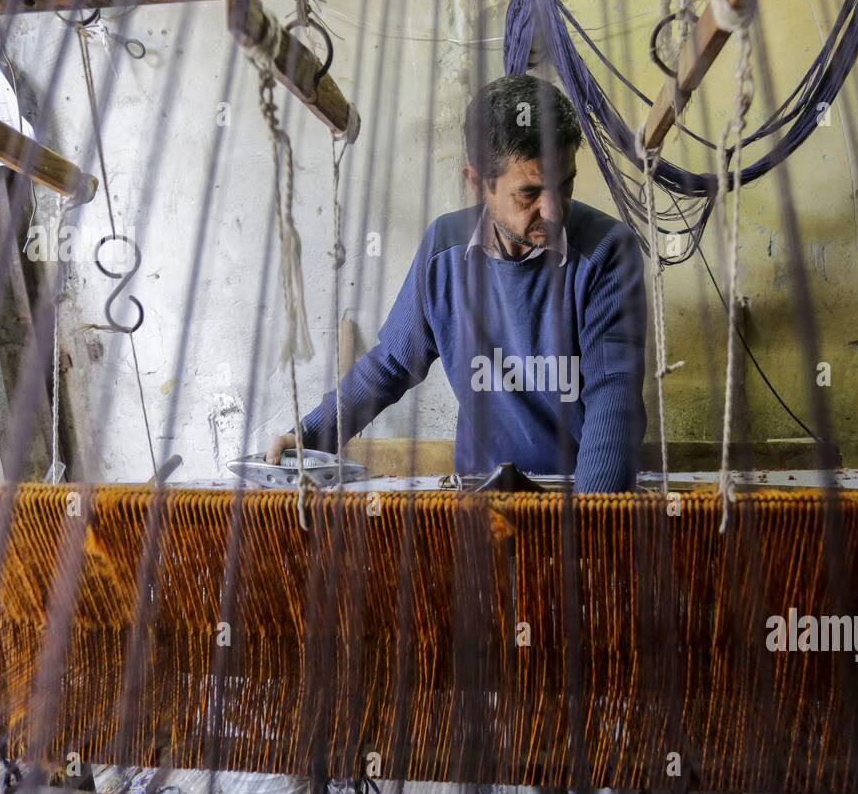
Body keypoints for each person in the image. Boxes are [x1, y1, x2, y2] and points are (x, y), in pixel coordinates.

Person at [265, 74, 646, 491]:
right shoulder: (444, 249)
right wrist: (309, 437)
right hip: (479, 497)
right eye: (529, 193)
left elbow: (614, 394)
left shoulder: (607, 250)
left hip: (577, 491)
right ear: (477, 183)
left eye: (565, 185)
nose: (553, 210)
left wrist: (589, 524)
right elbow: (392, 363)